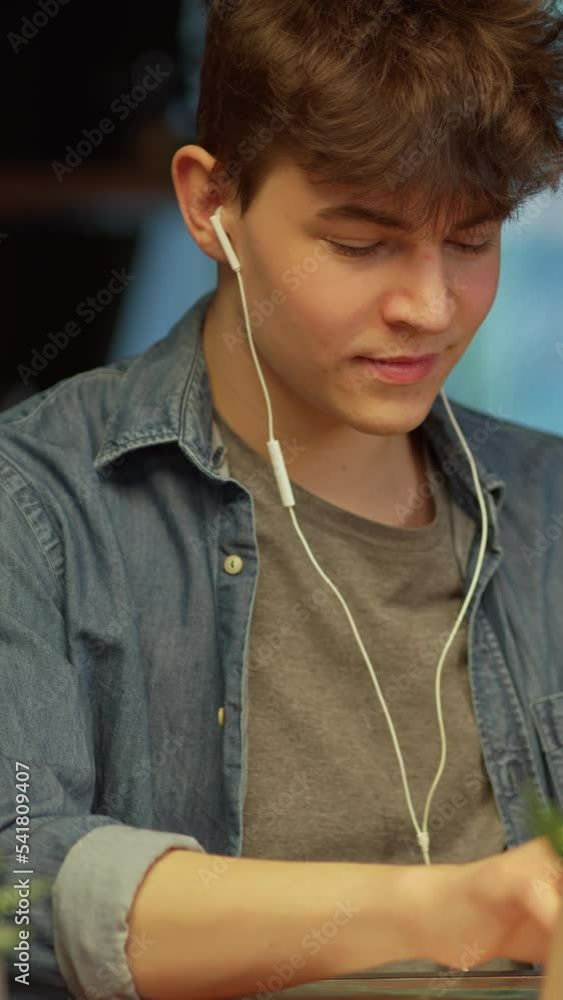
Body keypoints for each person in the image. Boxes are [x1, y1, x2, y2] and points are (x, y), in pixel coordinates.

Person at [2, 0, 563, 998]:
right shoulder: (39, 504)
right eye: (361, 245)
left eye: (471, 242)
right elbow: (19, 895)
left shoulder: (548, 503)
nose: (428, 308)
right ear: (208, 203)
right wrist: (460, 909)